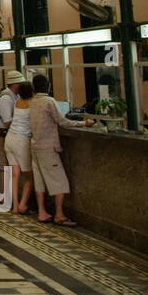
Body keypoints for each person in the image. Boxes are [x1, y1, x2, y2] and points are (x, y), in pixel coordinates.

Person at [29, 75, 95, 226]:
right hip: (47, 148)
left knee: (39, 182)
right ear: (48, 86)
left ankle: (41, 211)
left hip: (34, 147)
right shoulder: (48, 101)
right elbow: (62, 122)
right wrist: (83, 123)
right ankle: (59, 214)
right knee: (60, 182)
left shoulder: (32, 102)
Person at [0, 71, 25, 213]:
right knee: (4, 166)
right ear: (15, 84)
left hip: (8, 136)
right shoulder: (6, 98)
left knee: (9, 168)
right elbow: (7, 122)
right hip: (2, 135)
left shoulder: (15, 96)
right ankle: (3, 196)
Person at [5, 80, 36, 214]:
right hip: (21, 142)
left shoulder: (17, 102)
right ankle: (23, 205)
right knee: (30, 177)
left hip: (9, 139)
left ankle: (15, 206)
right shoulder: (32, 104)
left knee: (14, 175)